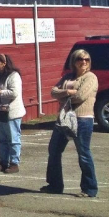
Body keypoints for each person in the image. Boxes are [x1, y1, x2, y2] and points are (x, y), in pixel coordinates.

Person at [42, 49, 99, 197]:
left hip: (82, 119)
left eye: (87, 59)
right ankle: (55, 185)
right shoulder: (68, 77)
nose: (84, 62)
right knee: (54, 150)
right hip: (64, 119)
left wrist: (63, 95)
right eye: (80, 59)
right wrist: (68, 92)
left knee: (83, 154)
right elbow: (53, 92)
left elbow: (80, 96)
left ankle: (89, 189)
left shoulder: (90, 77)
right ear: (74, 61)